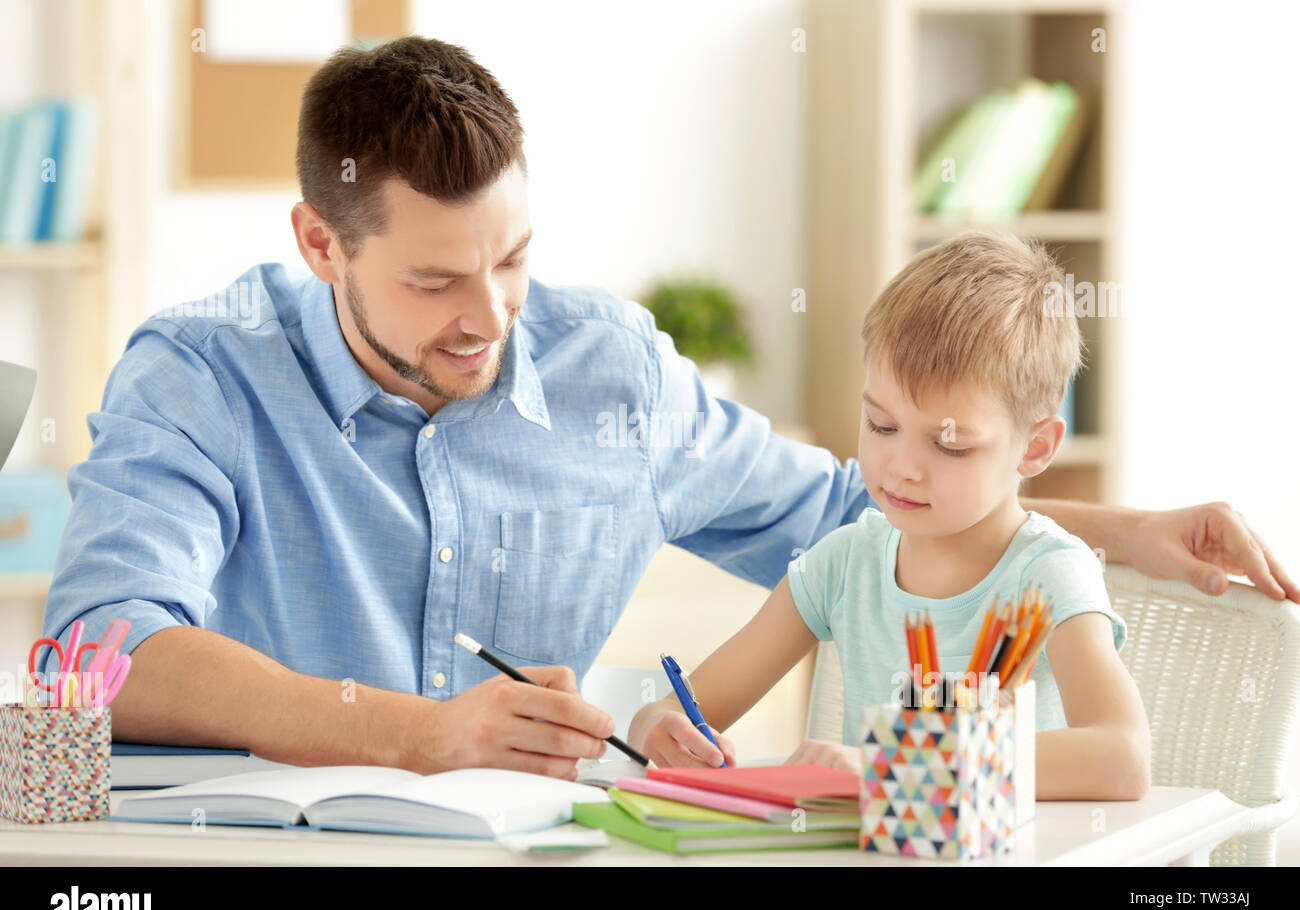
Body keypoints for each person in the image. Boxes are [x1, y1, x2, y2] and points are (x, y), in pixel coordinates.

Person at [40, 37, 1297, 783]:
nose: (490, 314)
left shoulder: (612, 374)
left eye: (513, 258)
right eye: (432, 280)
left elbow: (853, 509)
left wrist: (1124, 532)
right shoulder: (201, 375)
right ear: (320, 241)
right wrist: (415, 730)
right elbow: (94, 653)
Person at [628, 233, 1152, 800]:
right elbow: (687, 708)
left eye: (949, 445)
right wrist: (656, 725)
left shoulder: (1050, 574)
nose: (902, 468)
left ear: (1035, 447)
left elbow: (1121, 758)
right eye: (881, 426)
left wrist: (895, 762)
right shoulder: (842, 562)